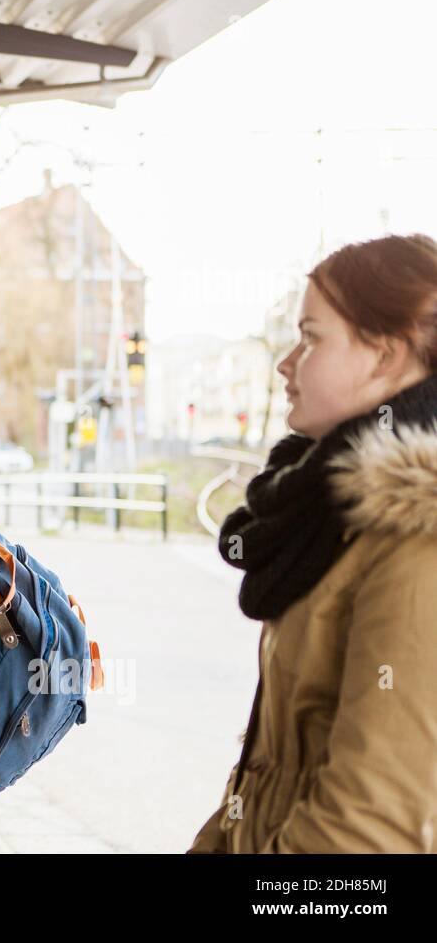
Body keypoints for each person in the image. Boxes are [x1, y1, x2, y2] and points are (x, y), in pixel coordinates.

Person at [190, 234, 437, 853]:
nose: (286, 362)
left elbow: (369, 831)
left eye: (311, 337)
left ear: (383, 355)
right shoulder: (330, 516)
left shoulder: (416, 541)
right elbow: (270, 776)